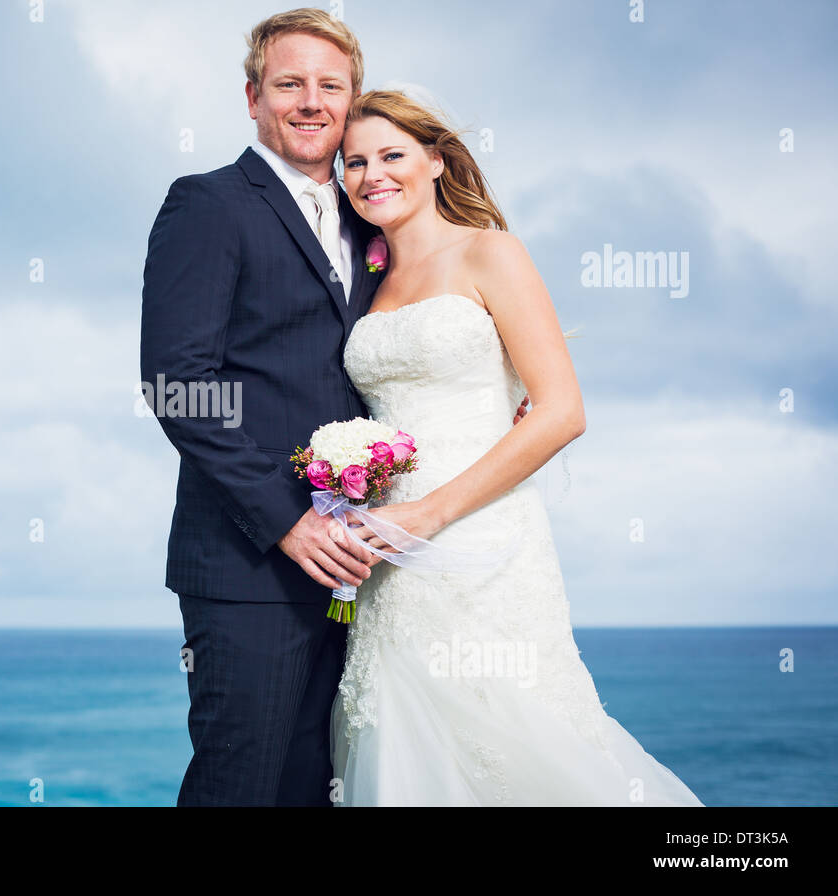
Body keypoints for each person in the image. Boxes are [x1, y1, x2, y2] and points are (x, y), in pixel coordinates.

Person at [139, 8, 528, 806]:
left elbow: (423, 337)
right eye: (289, 84)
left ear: (352, 100)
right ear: (253, 97)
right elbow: (178, 383)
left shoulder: (371, 211)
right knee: (238, 786)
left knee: (321, 790)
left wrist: (506, 396)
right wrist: (287, 518)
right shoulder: (208, 204)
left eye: (331, 86)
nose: (311, 102)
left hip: (365, 574)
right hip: (250, 564)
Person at [331, 89, 703, 805]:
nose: (371, 173)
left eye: (391, 155)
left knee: (519, 727)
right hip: (385, 553)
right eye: (354, 163)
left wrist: (430, 514)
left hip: (481, 535)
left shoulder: (490, 251)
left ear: (436, 161)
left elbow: (561, 411)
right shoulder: (366, 281)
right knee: (403, 733)